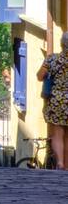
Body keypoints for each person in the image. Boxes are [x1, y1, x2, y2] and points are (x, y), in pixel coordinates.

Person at [36, 33, 68, 168]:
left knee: (57, 134)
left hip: (57, 101)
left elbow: (40, 76)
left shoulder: (52, 59)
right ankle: (67, 165)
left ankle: (60, 162)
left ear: (62, 44)